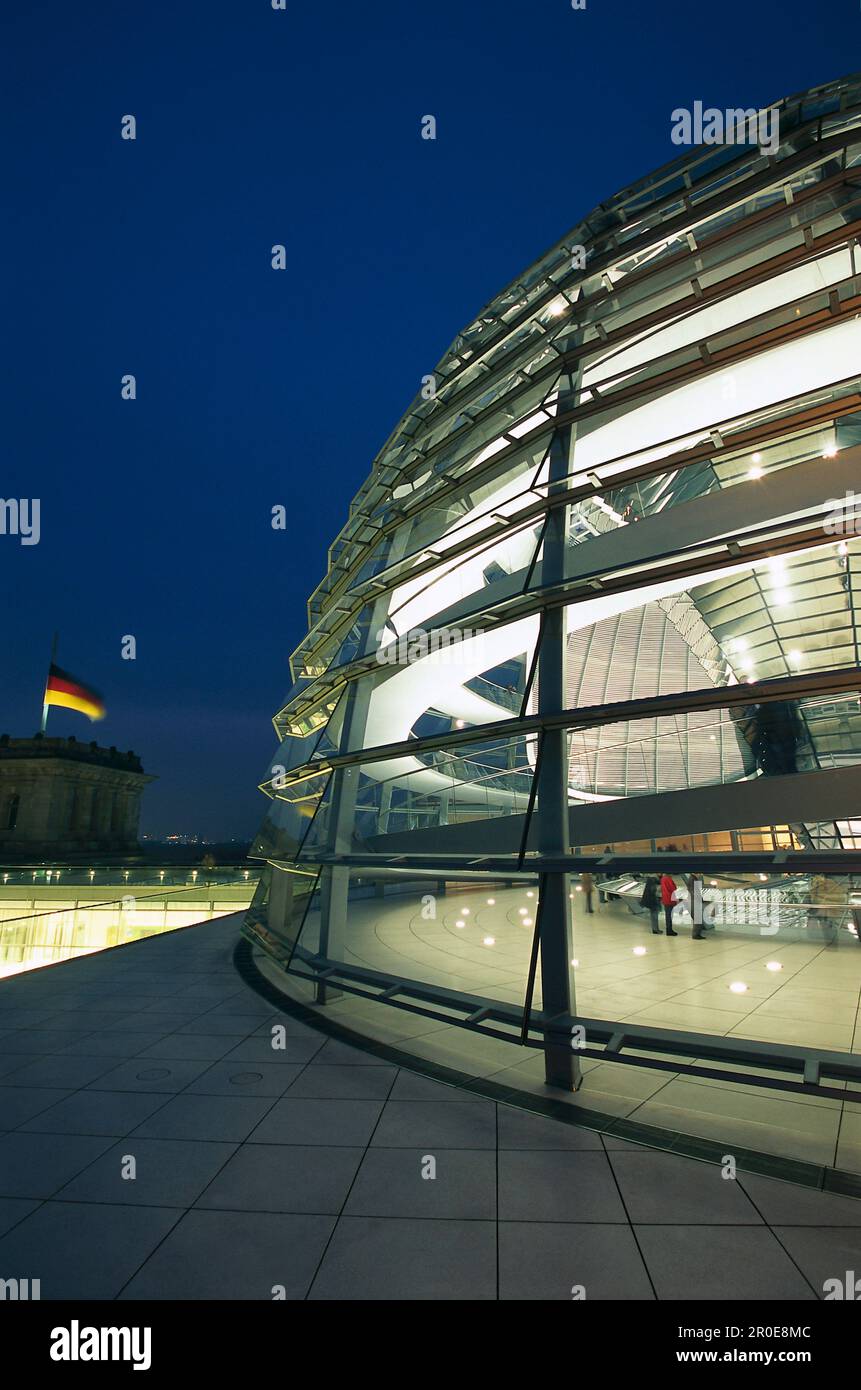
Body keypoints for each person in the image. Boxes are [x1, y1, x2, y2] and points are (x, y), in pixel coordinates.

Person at [660, 870, 678, 935]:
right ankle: (669, 930)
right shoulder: (668, 879)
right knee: (669, 916)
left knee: (668, 915)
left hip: (665, 898)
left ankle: (669, 929)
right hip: (669, 898)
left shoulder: (663, 878)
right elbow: (673, 888)